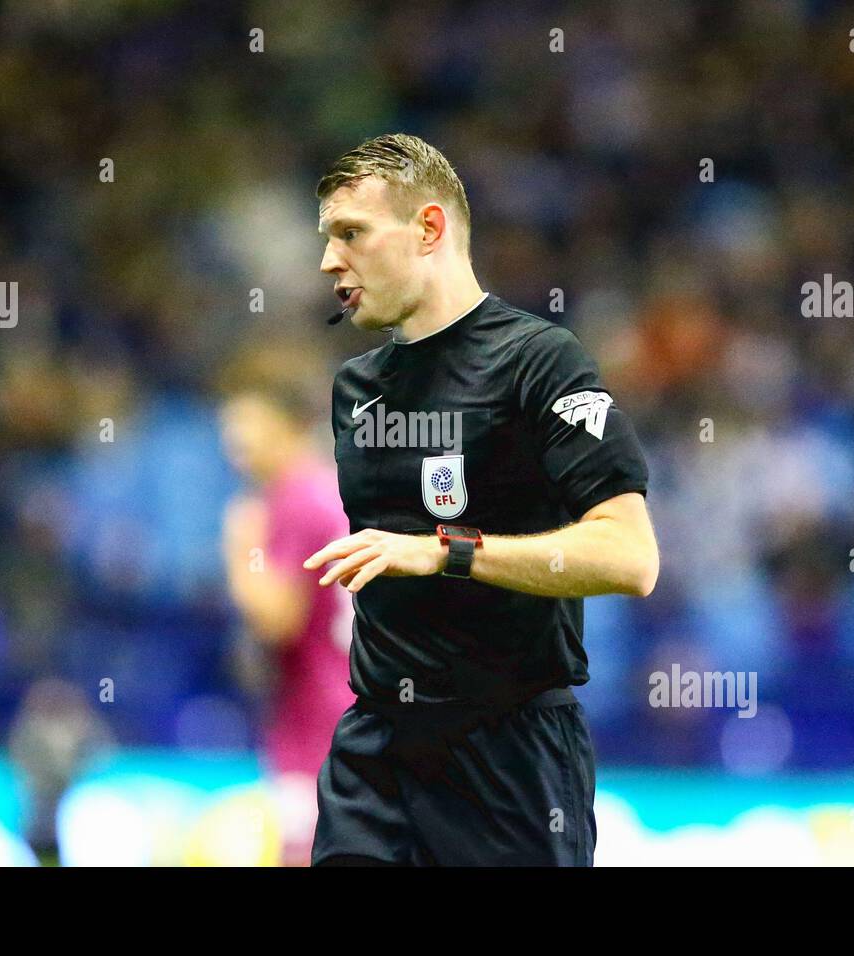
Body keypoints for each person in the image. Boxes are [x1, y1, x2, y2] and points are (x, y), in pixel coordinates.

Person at [304, 133, 659, 866]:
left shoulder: (539, 362)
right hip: (375, 756)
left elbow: (631, 557)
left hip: (511, 763)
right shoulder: (356, 391)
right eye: (328, 239)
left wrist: (448, 552)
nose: (330, 261)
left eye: (352, 233)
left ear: (429, 228)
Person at [217, 348, 356, 866]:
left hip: (318, 731)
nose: (234, 439)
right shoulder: (333, 488)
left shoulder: (293, 498)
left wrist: (240, 548)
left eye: (246, 421)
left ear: (286, 421)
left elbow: (278, 618)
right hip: (350, 717)